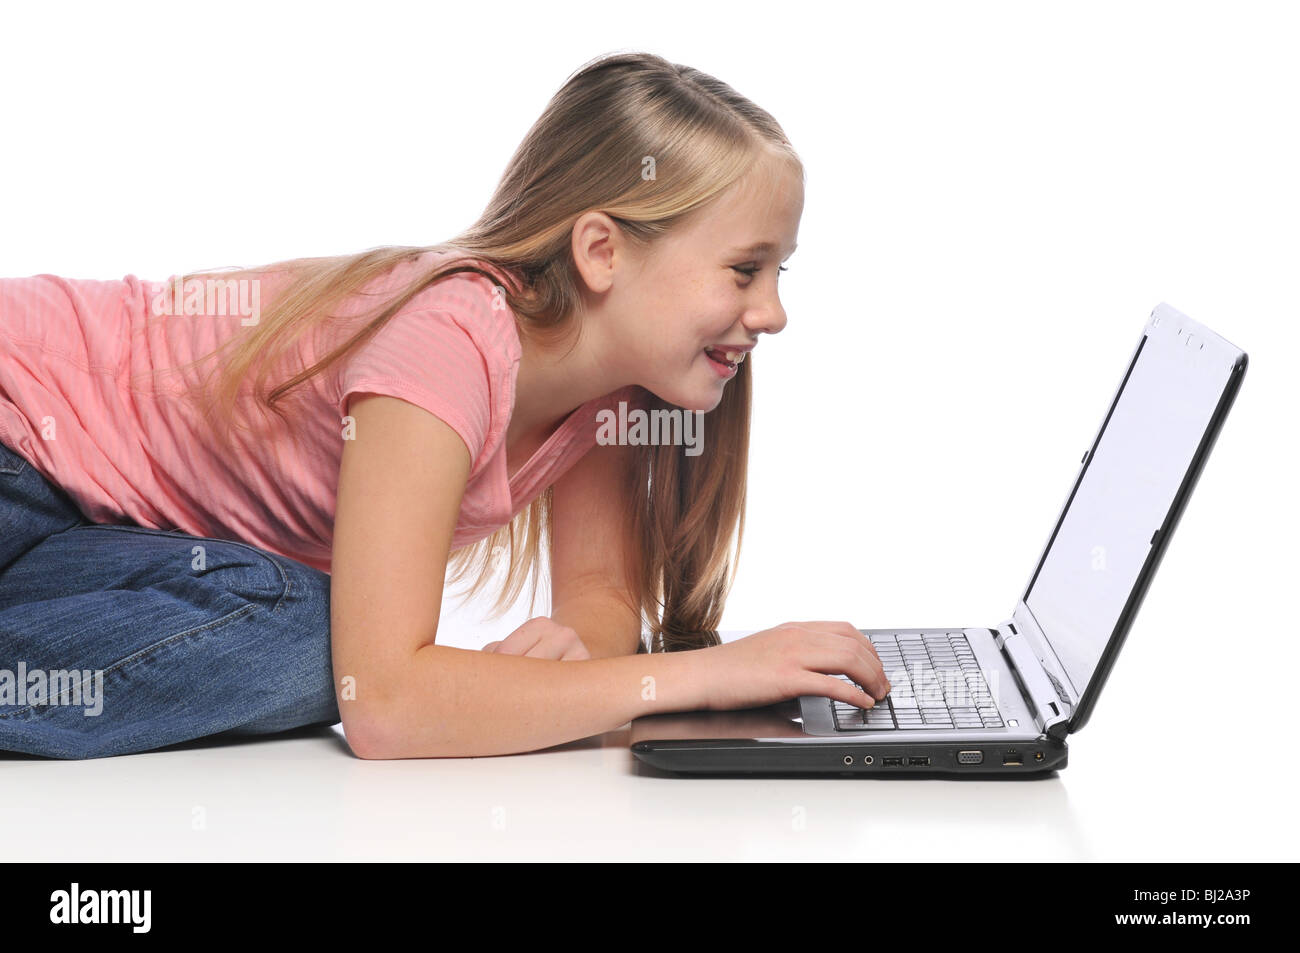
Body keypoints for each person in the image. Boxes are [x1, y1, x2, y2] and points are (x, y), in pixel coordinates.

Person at [0, 51, 888, 761]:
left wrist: (573, 663)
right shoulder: (447, 340)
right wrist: (706, 676)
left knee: (310, 630)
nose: (773, 312)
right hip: (16, 442)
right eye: (745, 269)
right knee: (332, 645)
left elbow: (600, 600)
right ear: (603, 252)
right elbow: (386, 707)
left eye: (780, 272)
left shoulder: (613, 389)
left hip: (78, 529)